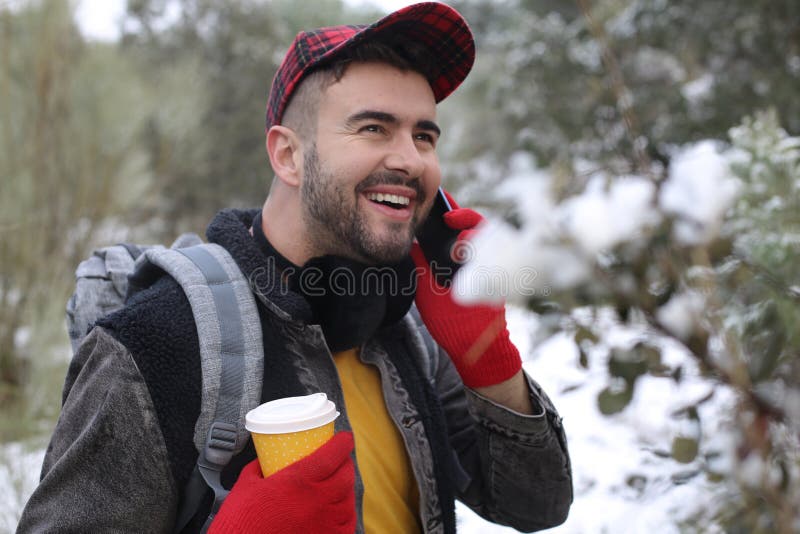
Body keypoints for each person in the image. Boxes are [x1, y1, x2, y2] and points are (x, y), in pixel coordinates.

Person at [18, 3, 572, 533]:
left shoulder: (407, 326)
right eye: (374, 128)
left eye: (423, 135)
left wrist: (490, 366)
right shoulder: (153, 344)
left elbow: (538, 508)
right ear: (287, 155)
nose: (409, 159)